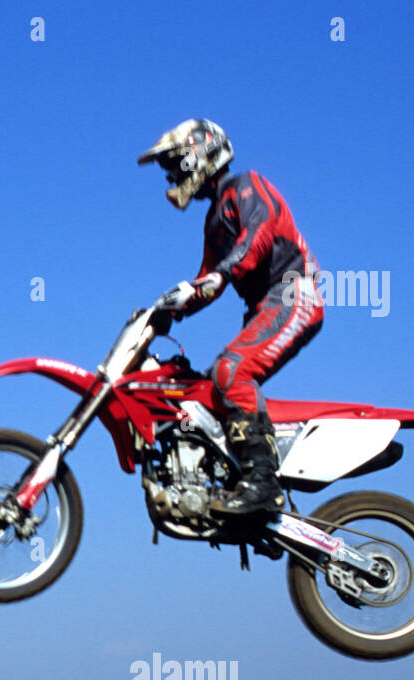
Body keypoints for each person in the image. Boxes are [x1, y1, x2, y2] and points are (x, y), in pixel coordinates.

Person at [138, 119, 324, 515]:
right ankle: (228, 478)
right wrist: (166, 312)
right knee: (204, 393)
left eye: (176, 164)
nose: (172, 175)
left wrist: (217, 276)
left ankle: (263, 484)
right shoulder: (212, 221)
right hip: (264, 307)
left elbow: (255, 238)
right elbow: (209, 281)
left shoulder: (247, 186)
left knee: (231, 372)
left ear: (200, 155)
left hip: (293, 295)